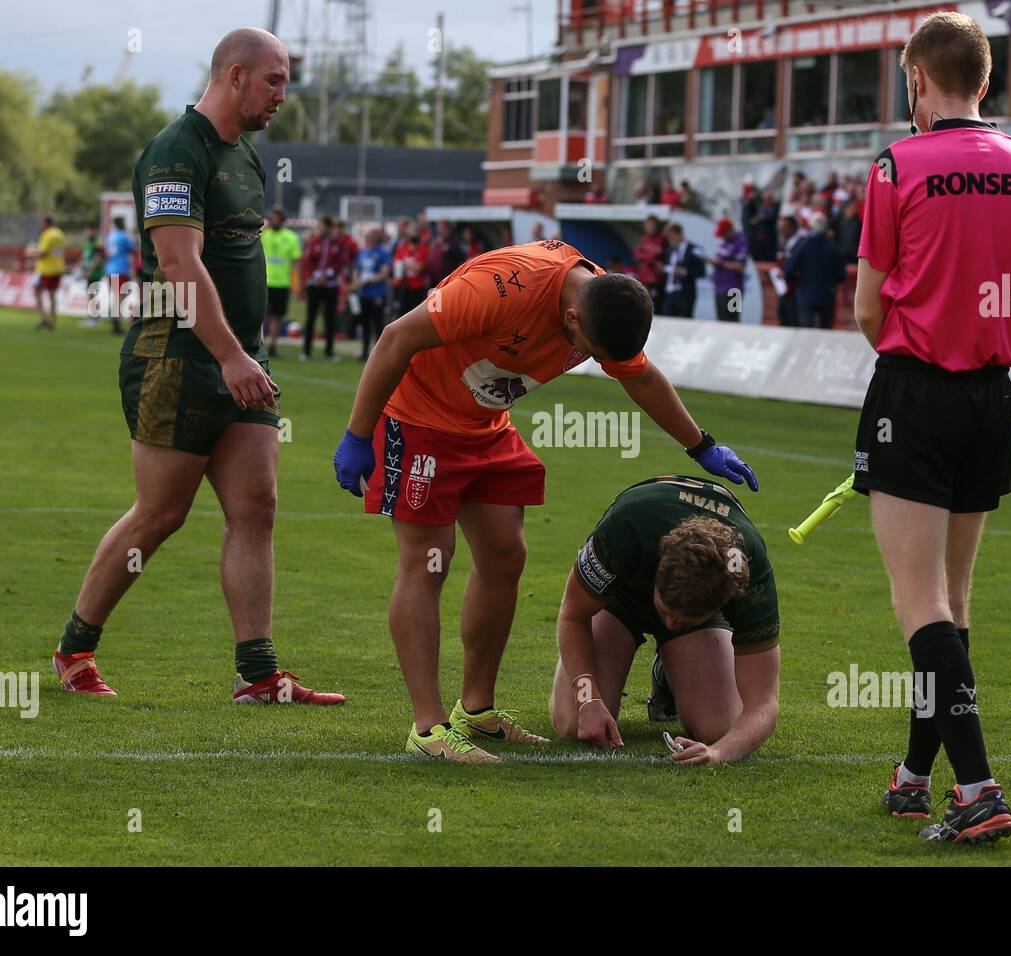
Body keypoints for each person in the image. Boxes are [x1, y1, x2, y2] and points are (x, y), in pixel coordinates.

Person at [331, 238, 759, 762]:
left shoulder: (606, 302)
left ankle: (476, 710)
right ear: (572, 317)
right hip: (418, 418)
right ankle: (428, 729)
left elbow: (641, 377)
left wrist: (702, 446)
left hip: (485, 425)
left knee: (506, 555)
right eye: (591, 353)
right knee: (428, 561)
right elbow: (396, 337)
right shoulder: (498, 287)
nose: (594, 360)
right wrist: (358, 434)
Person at [53, 28, 343, 705]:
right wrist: (230, 354)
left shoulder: (247, 155)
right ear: (235, 75)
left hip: (244, 360)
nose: (283, 94)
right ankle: (75, 647)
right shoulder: (175, 150)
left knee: (257, 508)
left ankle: (258, 674)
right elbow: (179, 265)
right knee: (160, 514)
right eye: (274, 80)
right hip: (178, 358)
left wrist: (246, 354)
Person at [853, 11, 1011, 845]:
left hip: (916, 391)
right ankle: (914, 776)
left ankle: (978, 789)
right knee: (952, 600)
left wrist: (906, 366)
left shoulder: (897, 164)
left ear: (918, 78)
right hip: (991, 398)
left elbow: (868, 308)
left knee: (919, 600)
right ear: (987, 80)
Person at [548, 476, 780, 765]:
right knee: (573, 721)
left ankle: (670, 671)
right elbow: (572, 615)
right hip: (622, 597)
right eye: (665, 610)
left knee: (720, 728)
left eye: (681, 620)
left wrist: (719, 752)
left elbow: (763, 704)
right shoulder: (625, 529)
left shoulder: (750, 573)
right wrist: (588, 700)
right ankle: (672, 653)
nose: (669, 623)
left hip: (697, 617)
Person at [300, 216, 351, 362]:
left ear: (329, 227)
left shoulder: (338, 244)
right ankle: (306, 351)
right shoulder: (314, 242)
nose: (320, 229)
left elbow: (341, 262)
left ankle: (329, 352)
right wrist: (316, 275)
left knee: (329, 319)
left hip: (331, 286)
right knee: (311, 318)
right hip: (314, 284)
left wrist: (328, 274)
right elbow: (308, 261)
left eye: (322, 226)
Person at [788, 213, 846, 329]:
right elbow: (841, 274)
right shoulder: (833, 247)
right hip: (827, 295)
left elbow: (789, 269)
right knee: (825, 330)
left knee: (806, 330)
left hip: (805, 294)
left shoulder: (803, 245)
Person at [260, 206, 302, 358]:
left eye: (276, 218)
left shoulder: (292, 237)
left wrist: (296, 285)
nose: (273, 220)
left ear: (282, 220)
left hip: (282, 283)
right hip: (264, 281)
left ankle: (273, 345)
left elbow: (296, 263)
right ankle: (258, 344)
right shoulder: (264, 234)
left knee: (278, 316)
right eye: (272, 217)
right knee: (259, 315)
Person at [351, 225, 392, 361]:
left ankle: (379, 353)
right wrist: (357, 281)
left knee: (378, 324)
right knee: (364, 323)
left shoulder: (383, 253)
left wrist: (369, 280)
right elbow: (356, 270)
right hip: (363, 293)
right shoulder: (363, 252)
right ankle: (364, 351)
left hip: (377, 292)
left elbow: (384, 273)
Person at [659, 222, 705, 318]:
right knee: (667, 320)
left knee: (685, 321)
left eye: (672, 237)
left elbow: (701, 271)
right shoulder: (669, 249)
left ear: (679, 234)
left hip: (685, 294)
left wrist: (685, 272)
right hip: (670, 293)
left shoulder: (695, 249)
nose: (671, 241)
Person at [708, 217, 748, 322]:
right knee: (721, 320)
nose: (722, 236)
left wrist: (721, 264)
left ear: (729, 231)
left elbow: (740, 267)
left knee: (732, 320)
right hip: (719, 287)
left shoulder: (741, 242)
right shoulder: (724, 242)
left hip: (734, 289)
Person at [103, 216, 138, 335]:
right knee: (119, 296)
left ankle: (115, 318)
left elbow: (106, 253)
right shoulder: (124, 236)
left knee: (118, 295)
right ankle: (116, 323)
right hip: (121, 269)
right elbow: (132, 250)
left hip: (111, 269)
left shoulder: (110, 237)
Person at [32, 215, 66, 331]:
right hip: (58, 267)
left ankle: (44, 318)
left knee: (37, 292)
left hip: (45, 269)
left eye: (41, 223)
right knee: (52, 295)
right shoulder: (59, 234)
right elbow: (58, 251)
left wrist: (32, 252)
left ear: (46, 223)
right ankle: (53, 321)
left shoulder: (47, 234)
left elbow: (43, 253)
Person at [391, 223, 429, 318]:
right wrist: (411, 265)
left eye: (414, 232)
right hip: (402, 286)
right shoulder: (401, 248)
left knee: (416, 314)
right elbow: (396, 266)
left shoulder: (423, 248)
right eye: (411, 232)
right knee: (401, 314)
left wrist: (405, 265)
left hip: (417, 286)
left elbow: (420, 267)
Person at [774, 215, 802, 327]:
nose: (781, 231)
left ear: (793, 228)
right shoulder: (784, 244)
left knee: (793, 322)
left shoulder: (801, 244)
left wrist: (787, 272)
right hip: (784, 290)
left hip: (795, 292)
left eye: (784, 228)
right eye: (780, 228)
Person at [633, 215, 667, 305]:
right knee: (644, 303)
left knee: (655, 304)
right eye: (648, 225)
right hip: (644, 278)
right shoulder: (644, 239)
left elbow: (657, 254)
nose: (650, 227)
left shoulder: (662, 240)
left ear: (657, 226)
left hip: (657, 279)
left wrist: (646, 257)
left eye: (652, 225)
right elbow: (637, 255)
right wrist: (649, 258)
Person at [79, 225, 106, 326]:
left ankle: (95, 318)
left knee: (93, 294)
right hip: (88, 272)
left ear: (94, 231)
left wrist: (90, 271)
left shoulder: (97, 244)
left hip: (95, 273)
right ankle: (92, 316)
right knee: (90, 294)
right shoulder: (87, 244)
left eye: (89, 231)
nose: (87, 233)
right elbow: (85, 258)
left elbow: (98, 258)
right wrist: (83, 270)